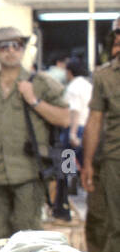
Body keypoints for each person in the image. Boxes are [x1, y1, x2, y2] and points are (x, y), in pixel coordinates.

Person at [0, 28, 70, 239]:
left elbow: (64, 118)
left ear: (23, 50)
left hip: (30, 174)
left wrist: (34, 100)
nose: (10, 51)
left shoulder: (40, 82)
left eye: (16, 45)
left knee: (28, 239)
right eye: (4, 47)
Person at [82, 33, 120, 252]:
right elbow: (94, 120)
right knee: (115, 224)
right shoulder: (104, 76)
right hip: (114, 158)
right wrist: (86, 163)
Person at [54, 57, 93, 221]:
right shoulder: (88, 85)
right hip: (87, 128)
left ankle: (65, 203)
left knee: (65, 168)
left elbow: (74, 110)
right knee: (85, 164)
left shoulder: (74, 87)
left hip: (74, 129)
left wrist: (72, 133)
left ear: (69, 72)